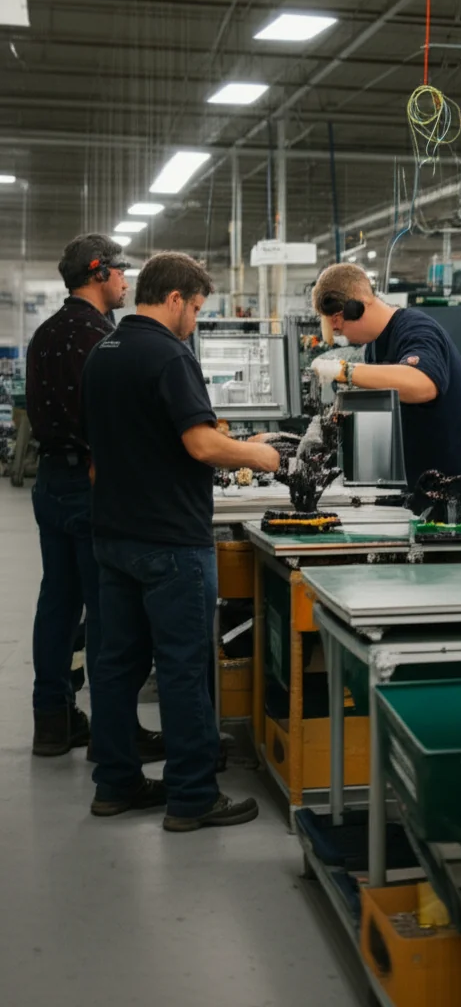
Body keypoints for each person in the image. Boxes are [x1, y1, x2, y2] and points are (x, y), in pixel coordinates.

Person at [81, 252, 280, 830]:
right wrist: (260, 454)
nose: (194, 319)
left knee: (116, 666)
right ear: (174, 300)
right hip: (171, 542)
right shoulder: (170, 355)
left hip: (113, 535)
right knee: (184, 666)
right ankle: (192, 796)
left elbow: (103, 456)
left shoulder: (103, 354)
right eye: (194, 308)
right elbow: (201, 446)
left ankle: (115, 784)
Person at [25, 234, 163, 760]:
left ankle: (53, 721)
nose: (127, 281)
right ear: (98, 272)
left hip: (50, 485)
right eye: (121, 272)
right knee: (109, 615)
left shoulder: (44, 334)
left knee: (57, 603)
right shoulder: (104, 338)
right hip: (90, 486)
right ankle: (116, 733)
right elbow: (113, 421)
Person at [310, 264, 461, 486]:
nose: (339, 333)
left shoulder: (416, 329)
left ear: (355, 309)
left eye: (338, 326)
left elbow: (423, 384)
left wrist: (344, 371)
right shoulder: (374, 347)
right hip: (430, 489)